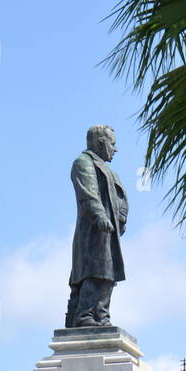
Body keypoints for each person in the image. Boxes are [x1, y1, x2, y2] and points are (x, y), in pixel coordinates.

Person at [66, 125, 128, 328]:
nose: (115, 149)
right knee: (94, 270)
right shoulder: (83, 163)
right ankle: (85, 315)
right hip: (93, 230)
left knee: (108, 273)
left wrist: (121, 218)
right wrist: (101, 217)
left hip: (110, 231)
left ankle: (102, 315)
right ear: (101, 143)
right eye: (113, 144)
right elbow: (88, 194)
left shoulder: (107, 169)